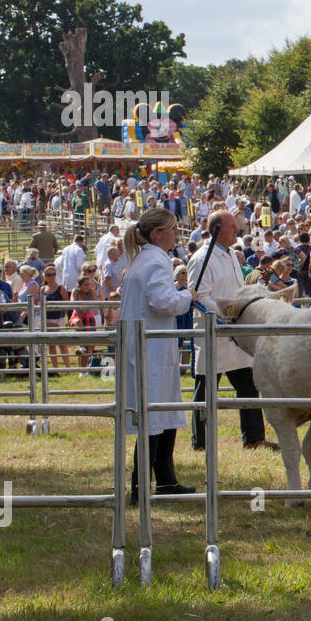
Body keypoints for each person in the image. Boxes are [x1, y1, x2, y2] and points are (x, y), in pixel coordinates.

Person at [120, 207, 196, 504]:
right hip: (150, 349)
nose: (177, 232)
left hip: (152, 347)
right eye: (172, 228)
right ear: (157, 233)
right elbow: (163, 301)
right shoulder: (154, 261)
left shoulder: (148, 259)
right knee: (152, 416)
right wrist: (187, 297)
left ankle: (165, 479)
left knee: (162, 412)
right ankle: (140, 487)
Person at [186, 210, 276, 453]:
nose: (237, 230)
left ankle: (254, 438)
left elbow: (237, 289)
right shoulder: (201, 258)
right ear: (216, 229)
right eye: (231, 227)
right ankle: (201, 443)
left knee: (248, 384)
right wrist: (226, 314)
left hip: (235, 332)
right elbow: (198, 296)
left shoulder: (230, 256)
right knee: (205, 388)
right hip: (214, 332)